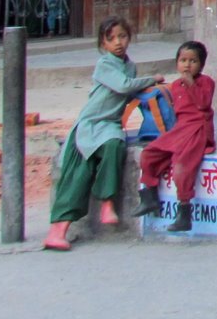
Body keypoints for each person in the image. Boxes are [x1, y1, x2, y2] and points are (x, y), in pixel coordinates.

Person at [44, 17, 164, 251]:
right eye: (111, 39)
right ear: (103, 43)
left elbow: (129, 93)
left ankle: (106, 202)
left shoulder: (130, 66)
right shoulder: (105, 65)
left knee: (114, 146)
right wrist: (152, 79)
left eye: (122, 36)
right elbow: (123, 86)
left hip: (110, 125)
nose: (118, 42)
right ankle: (57, 231)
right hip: (90, 125)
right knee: (78, 173)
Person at [135, 40, 217, 233]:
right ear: (177, 63)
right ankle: (150, 196)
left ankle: (184, 210)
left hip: (198, 129)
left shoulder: (206, 82)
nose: (187, 65)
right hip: (180, 130)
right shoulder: (175, 85)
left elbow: (203, 104)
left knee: (182, 165)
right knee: (150, 153)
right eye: (183, 60)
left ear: (201, 65)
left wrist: (191, 84)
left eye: (193, 61)